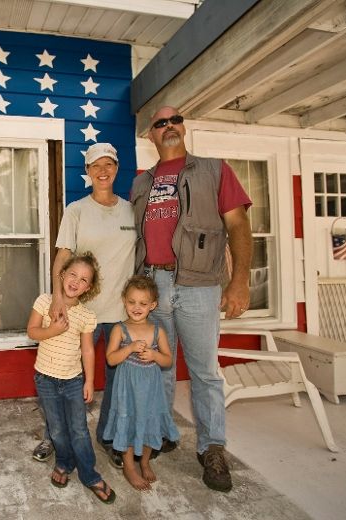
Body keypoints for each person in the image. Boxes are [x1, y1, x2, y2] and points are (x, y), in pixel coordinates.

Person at [130, 106, 253, 493]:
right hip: (153, 287)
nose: (169, 126)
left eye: (175, 120)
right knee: (159, 368)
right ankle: (164, 433)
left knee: (204, 371)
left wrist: (240, 282)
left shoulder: (215, 170)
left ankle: (212, 447)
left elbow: (238, 225)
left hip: (200, 286)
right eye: (160, 123)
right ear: (150, 134)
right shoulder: (140, 183)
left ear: (184, 127)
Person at [32, 142, 135, 469]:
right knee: (60, 375)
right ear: (88, 172)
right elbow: (62, 256)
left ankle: (108, 438)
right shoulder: (76, 210)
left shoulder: (131, 210)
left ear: (116, 169)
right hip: (79, 314)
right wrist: (58, 300)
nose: (103, 171)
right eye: (95, 166)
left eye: (109, 165)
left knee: (117, 383)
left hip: (118, 314)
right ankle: (54, 436)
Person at [28, 252, 116, 504]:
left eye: (84, 280)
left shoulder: (87, 316)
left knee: (78, 430)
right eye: (73, 274)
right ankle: (64, 463)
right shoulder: (45, 302)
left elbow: (88, 350)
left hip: (73, 381)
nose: (76, 282)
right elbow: (32, 331)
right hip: (45, 379)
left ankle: (89, 474)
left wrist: (89, 381)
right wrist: (52, 330)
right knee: (56, 429)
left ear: (89, 287)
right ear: (62, 274)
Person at [103, 275, 180, 491]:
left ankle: (145, 461)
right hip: (127, 389)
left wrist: (154, 356)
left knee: (149, 422)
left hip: (151, 389)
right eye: (132, 302)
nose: (137, 307)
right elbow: (111, 359)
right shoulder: (120, 329)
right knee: (127, 422)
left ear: (153, 305)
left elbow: (168, 360)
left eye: (143, 303)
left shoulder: (158, 331)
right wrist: (128, 349)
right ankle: (129, 466)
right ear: (124, 301)